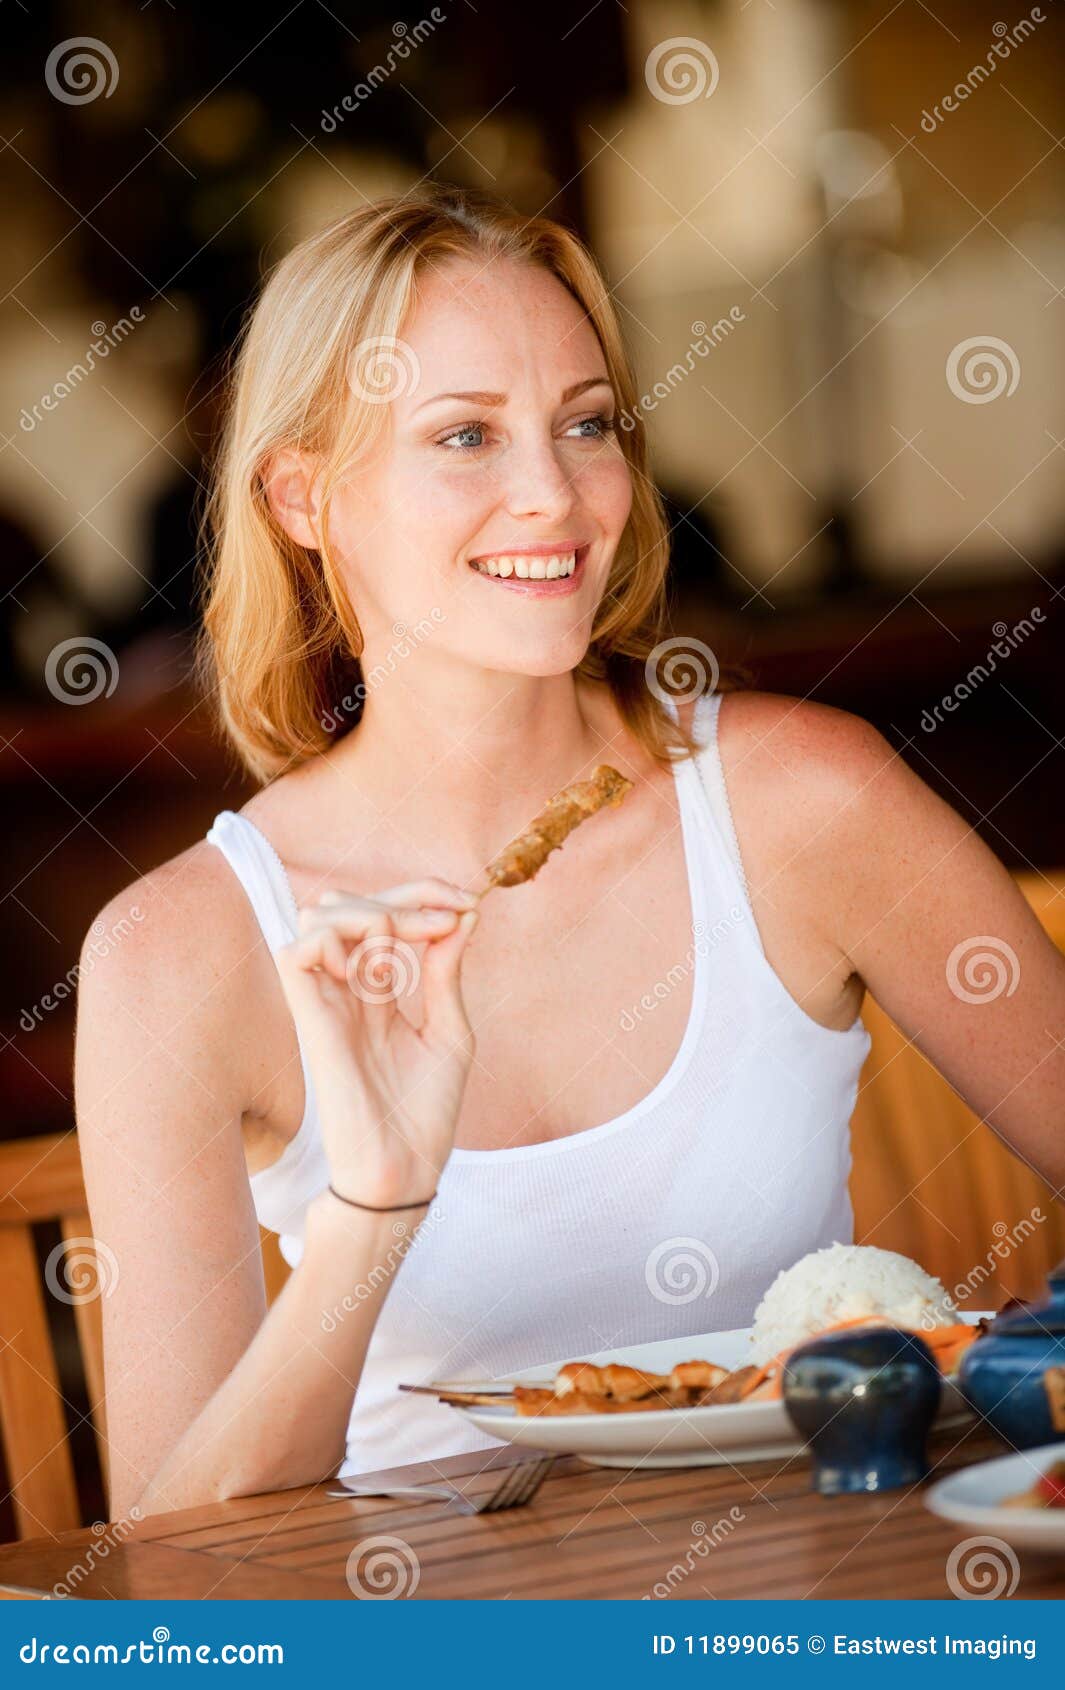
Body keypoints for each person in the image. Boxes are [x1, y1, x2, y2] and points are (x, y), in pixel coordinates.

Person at [75, 186, 1065, 1521]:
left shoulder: (802, 802)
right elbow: (161, 1556)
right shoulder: (177, 952)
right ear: (303, 496)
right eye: (465, 435)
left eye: (585, 425)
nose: (553, 495)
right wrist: (377, 1206)